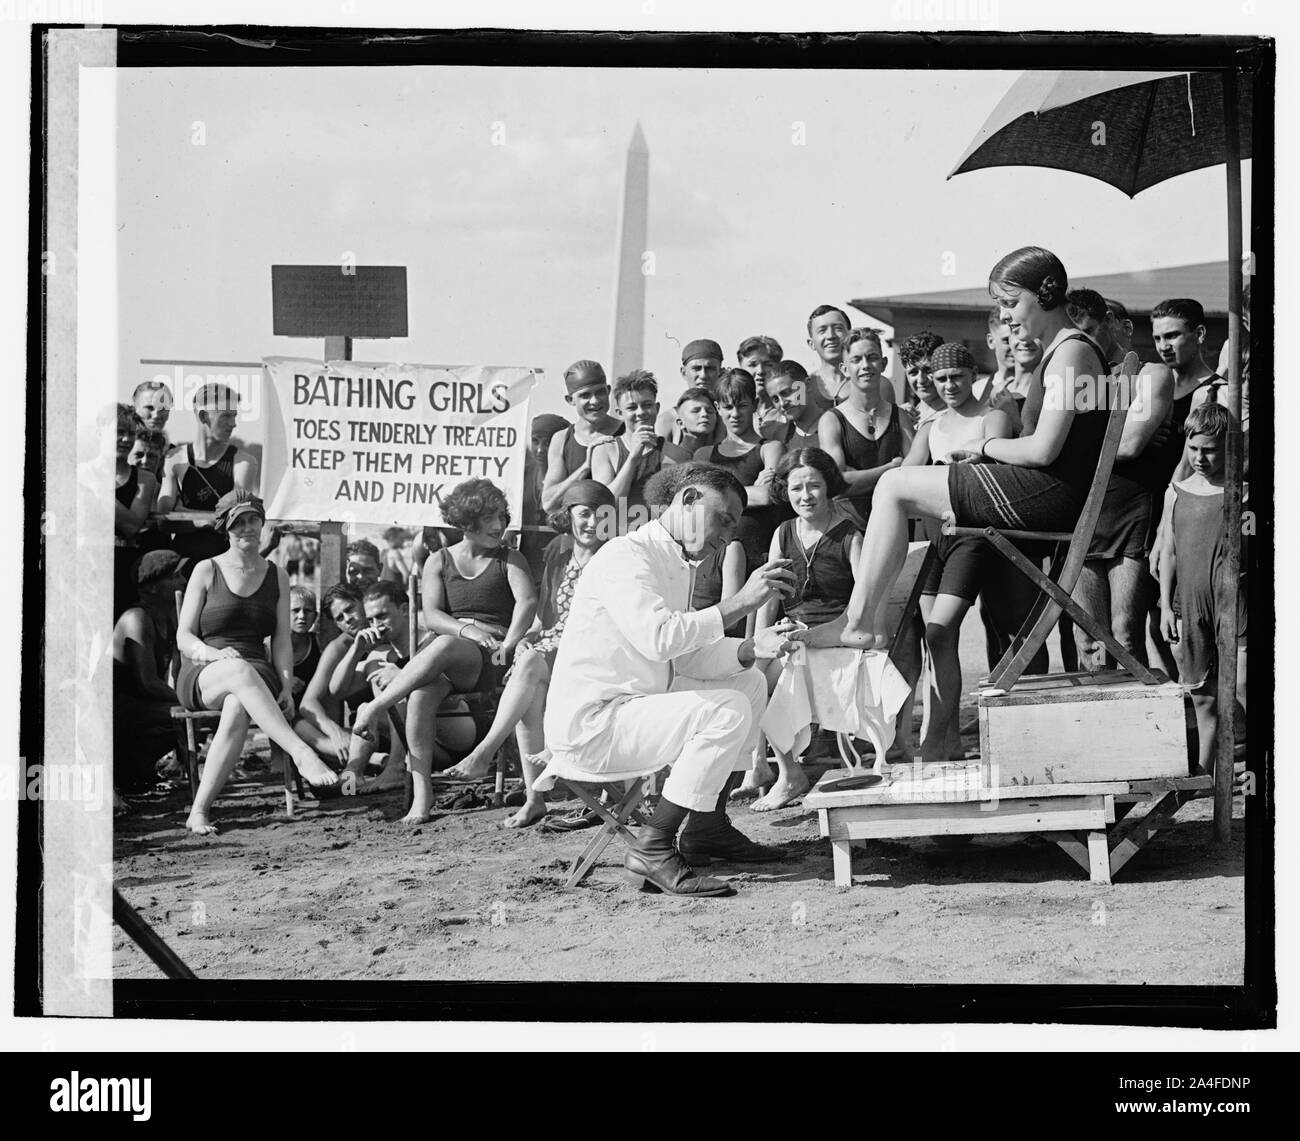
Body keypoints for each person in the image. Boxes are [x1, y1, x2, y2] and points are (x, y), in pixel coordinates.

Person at [797, 247, 1114, 651]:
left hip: (1051, 494)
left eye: (1012, 303)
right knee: (895, 487)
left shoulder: (1071, 352)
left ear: (1046, 295)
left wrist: (986, 443)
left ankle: (859, 623)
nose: (1008, 317)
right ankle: (861, 621)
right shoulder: (1069, 351)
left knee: (894, 487)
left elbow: (1043, 451)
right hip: (1044, 488)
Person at [544, 463, 800, 897]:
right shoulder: (625, 555)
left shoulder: (676, 562)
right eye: (723, 518)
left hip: (635, 708)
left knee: (749, 683)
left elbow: (684, 657)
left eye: (734, 524)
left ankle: (707, 826)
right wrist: (740, 603)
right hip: (594, 725)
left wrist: (751, 647)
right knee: (726, 709)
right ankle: (654, 845)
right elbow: (660, 638)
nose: (727, 535)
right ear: (688, 500)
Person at [348, 478, 538, 823]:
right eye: (489, 519)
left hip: (493, 654)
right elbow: (432, 615)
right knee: (421, 696)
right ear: (466, 522)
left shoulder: (510, 559)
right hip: (449, 652)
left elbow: (527, 603)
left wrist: (507, 643)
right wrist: (467, 628)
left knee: (445, 645)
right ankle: (422, 797)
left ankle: (376, 706)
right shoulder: (439, 561)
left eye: (501, 516)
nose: (499, 526)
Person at [441, 479, 618, 828]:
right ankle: (535, 799)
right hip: (553, 648)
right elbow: (543, 617)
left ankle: (484, 752)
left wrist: (534, 648)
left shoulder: (615, 557)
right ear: (568, 515)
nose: (592, 523)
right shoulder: (558, 556)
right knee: (529, 679)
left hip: (594, 651)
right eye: (584, 514)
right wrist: (523, 638)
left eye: (602, 515)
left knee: (531, 665)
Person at [174, 491, 339, 834]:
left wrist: (287, 686)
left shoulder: (276, 575)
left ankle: (199, 811)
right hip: (205, 670)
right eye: (238, 523)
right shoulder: (207, 570)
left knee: (238, 704)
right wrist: (213, 654)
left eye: (253, 520)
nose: (247, 528)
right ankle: (300, 752)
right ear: (226, 529)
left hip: (256, 672)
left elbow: (280, 639)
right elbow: (184, 637)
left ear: (262, 523)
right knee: (238, 671)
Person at [903, 344, 1016, 761]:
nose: (949, 386)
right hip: (940, 538)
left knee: (944, 631)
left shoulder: (993, 416)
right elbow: (904, 476)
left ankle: (939, 740)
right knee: (938, 641)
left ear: (974, 376)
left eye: (957, 377)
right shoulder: (931, 425)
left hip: (979, 534)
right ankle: (948, 742)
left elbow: (1007, 474)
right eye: (941, 379)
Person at [1064, 288, 1177, 673]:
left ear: (1116, 325)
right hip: (1082, 517)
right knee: (1088, 640)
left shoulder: (1151, 373)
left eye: (1094, 329)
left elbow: (1128, 445)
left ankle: (1141, 728)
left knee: (1125, 632)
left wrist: (1076, 444)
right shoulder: (1078, 380)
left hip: (1130, 516)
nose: (1087, 341)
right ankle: (1098, 730)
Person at [751, 448, 863, 810]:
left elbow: (863, 605)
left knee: (781, 675)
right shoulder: (783, 533)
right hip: (791, 636)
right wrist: (760, 642)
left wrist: (822, 632)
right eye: (797, 487)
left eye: (814, 485)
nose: (805, 496)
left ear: (828, 485)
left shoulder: (850, 535)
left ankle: (787, 775)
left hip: (836, 636)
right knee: (751, 683)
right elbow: (768, 597)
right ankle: (786, 770)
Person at [1157, 403, 1246, 775]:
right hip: (1188, 607)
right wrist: (1164, 607)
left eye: (1209, 450)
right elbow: (1170, 553)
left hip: (1235, 607)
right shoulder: (1175, 492)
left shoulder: (1242, 495)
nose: (1200, 458)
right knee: (1203, 698)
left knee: (1243, 691)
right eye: (1193, 449)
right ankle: (1204, 774)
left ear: (1227, 447)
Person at [693, 368, 785, 572]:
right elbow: (700, 504)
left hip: (758, 555)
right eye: (728, 407)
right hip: (713, 560)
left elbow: (766, 496)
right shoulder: (704, 455)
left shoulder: (771, 448)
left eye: (742, 406)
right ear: (717, 407)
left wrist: (716, 496)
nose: (735, 414)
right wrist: (752, 490)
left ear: (754, 404)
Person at [818, 327, 912, 526]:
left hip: (894, 524)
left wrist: (857, 477)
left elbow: (913, 476)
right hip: (847, 529)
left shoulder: (900, 417)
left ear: (884, 363)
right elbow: (839, 483)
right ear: (845, 369)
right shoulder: (832, 420)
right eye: (856, 359)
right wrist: (891, 468)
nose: (866, 365)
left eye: (872, 357)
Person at [156, 382, 259, 564]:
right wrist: (202, 521)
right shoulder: (175, 459)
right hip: (183, 562)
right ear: (204, 416)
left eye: (235, 416)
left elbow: (231, 519)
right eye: (226, 416)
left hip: (224, 563)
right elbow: (163, 521)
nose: (233, 424)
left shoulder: (243, 462)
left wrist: (183, 511)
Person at [112, 550, 186, 794]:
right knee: (182, 716)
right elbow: (148, 684)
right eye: (175, 576)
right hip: (118, 710)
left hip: (139, 706)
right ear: (153, 587)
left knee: (186, 715)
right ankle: (127, 773)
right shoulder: (137, 618)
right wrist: (189, 700)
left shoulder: (169, 617)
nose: (183, 582)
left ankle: (137, 772)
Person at [540, 361, 623, 513]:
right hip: (578, 533)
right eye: (585, 395)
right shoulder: (562, 439)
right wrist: (585, 468)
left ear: (609, 391)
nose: (595, 401)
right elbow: (549, 504)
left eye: (600, 392)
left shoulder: (626, 433)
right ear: (570, 400)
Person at [591, 369, 673, 520]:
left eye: (647, 405)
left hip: (655, 541)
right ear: (619, 413)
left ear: (657, 408)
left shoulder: (673, 453)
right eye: (632, 407)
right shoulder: (605, 450)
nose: (641, 412)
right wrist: (633, 458)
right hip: (616, 540)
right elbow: (605, 509)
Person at [522, 412, 570, 578]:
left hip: (559, 560)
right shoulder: (522, 474)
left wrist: (566, 537)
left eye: (548, 443)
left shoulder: (571, 476)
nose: (540, 449)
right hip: (524, 559)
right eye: (535, 441)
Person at [762, 362, 822, 453]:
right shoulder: (780, 437)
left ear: (807, 385)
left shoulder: (838, 424)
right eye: (775, 399)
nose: (782, 404)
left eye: (786, 393)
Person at [737, 334, 786, 436]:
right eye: (752, 365)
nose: (760, 371)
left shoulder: (789, 410)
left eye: (768, 364)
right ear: (741, 368)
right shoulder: (732, 411)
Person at [898, 331, 947, 429]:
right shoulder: (907, 414)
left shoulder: (954, 415)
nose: (921, 380)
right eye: (913, 372)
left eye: (928, 370)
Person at [131, 380, 175, 481]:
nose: (156, 415)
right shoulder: (118, 448)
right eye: (149, 408)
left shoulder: (175, 456)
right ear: (134, 408)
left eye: (162, 409)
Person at [663, 387, 719, 462]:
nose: (704, 414)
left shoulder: (723, 458)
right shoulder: (668, 459)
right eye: (696, 411)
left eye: (709, 411)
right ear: (681, 423)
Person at [288, 586, 321, 703]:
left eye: (307, 611)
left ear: (315, 616)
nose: (302, 616)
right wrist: (282, 681)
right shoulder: (268, 644)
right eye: (296, 610)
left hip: (306, 714)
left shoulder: (319, 644)